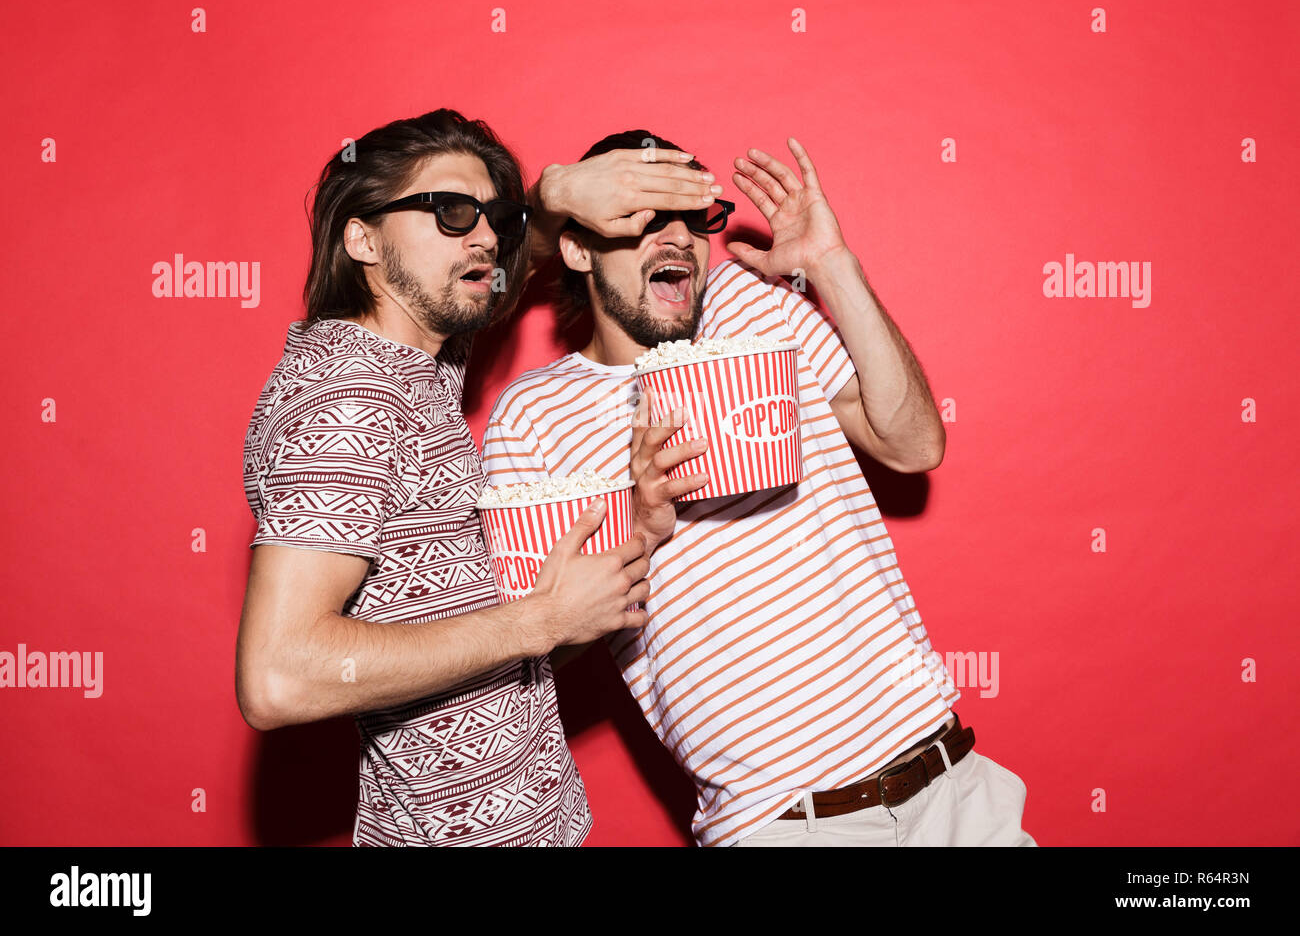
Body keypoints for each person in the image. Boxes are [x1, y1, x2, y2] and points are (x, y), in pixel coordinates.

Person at [482, 129, 1036, 847]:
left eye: (692, 217)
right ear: (578, 249)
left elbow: (914, 445)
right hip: (787, 826)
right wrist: (641, 528)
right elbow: (529, 654)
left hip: (951, 786)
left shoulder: (754, 309)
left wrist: (831, 265)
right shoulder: (534, 417)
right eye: (641, 218)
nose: (677, 238)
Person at [237, 109, 718, 846]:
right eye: (451, 211)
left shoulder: (420, 363)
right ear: (362, 238)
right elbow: (278, 677)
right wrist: (539, 621)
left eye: (494, 218)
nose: (487, 237)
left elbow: (505, 272)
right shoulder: (349, 399)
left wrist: (638, 533)